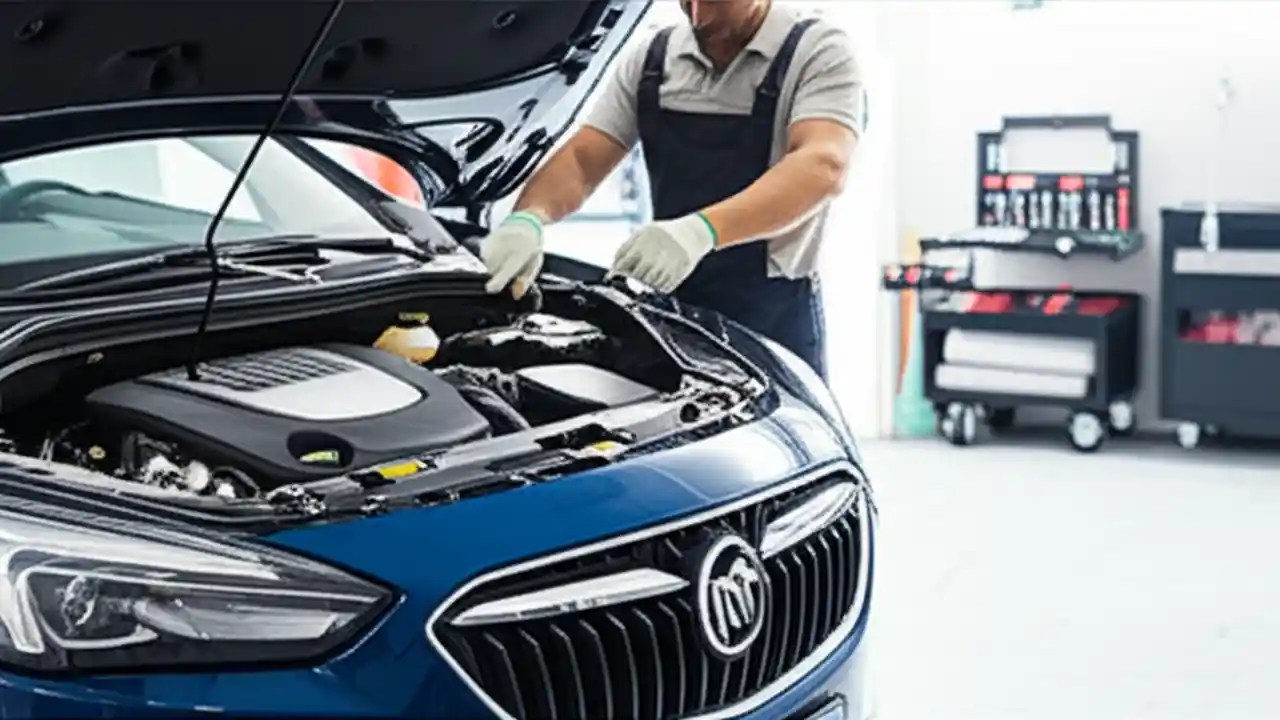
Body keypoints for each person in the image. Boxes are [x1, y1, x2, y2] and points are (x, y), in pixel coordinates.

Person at [479, 0, 863, 380]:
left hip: (772, 314)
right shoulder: (653, 57)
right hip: (670, 301)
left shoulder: (818, 52)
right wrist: (528, 218)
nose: (698, 13)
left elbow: (821, 165)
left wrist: (700, 232)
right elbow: (583, 159)